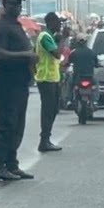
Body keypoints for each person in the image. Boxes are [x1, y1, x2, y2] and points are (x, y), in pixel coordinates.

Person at [0, 0, 37, 181]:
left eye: (19, 4)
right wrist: (25, 55)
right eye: (13, 4)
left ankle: (12, 164)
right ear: (4, 5)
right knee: (6, 124)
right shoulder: (1, 27)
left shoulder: (16, 25)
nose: (17, 7)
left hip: (20, 82)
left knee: (18, 125)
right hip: (7, 82)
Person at [34, 12, 63, 153]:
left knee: (53, 110)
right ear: (51, 22)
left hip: (52, 78)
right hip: (46, 79)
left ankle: (46, 139)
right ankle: (44, 140)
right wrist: (62, 40)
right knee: (48, 111)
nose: (60, 25)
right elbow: (57, 54)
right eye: (58, 22)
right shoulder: (45, 37)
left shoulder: (50, 36)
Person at [67, 35, 100, 105]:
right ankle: (95, 101)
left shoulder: (73, 53)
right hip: (90, 76)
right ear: (86, 42)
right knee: (96, 84)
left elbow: (68, 62)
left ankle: (69, 100)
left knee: (69, 84)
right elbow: (97, 64)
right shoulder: (92, 52)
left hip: (77, 76)